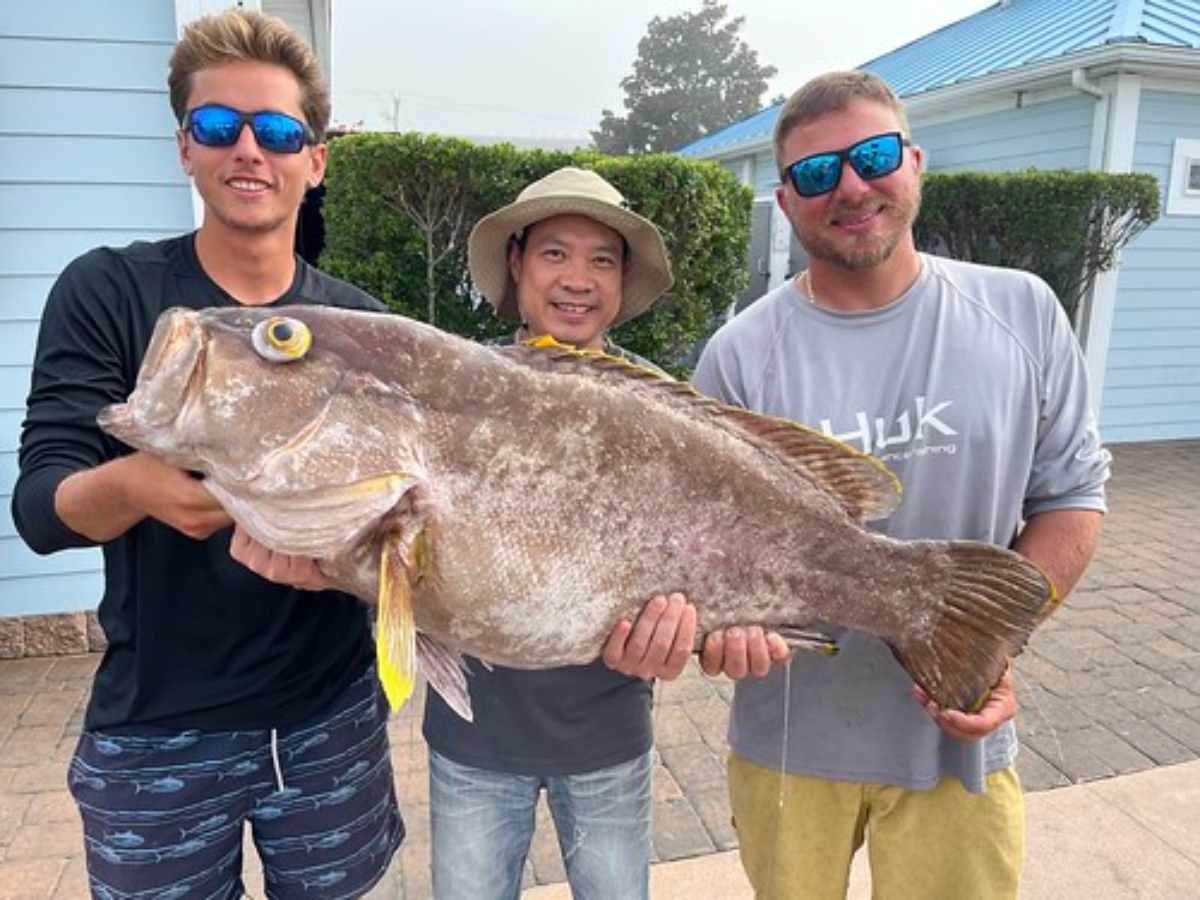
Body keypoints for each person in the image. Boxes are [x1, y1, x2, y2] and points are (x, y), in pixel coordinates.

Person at [12, 9, 404, 898]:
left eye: (276, 130)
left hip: (331, 719)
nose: (248, 152)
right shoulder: (110, 293)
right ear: (184, 148)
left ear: (316, 157)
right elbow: (40, 507)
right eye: (219, 127)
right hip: (160, 732)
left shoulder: (364, 329)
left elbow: (395, 535)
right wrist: (135, 486)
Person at [692, 71, 1111, 899]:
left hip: (957, 742)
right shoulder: (739, 355)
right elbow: (706, 560)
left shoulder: (1022, 313)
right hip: (788, 750)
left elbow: (1071, 498)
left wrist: (990, 643)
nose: (850, 186)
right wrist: (715, 634)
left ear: (914, 162)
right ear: (786, 203)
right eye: (816, 173)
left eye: (873, 155)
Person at [418, 166, 786, 900]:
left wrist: (717, 628)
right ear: (517, 262)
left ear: (623, 280)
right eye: (554, 252)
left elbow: (711, 557)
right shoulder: (457, 392)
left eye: (602, 258)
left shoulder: (668, 414)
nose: (576, 278)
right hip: (471, 744)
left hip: (608, 741)